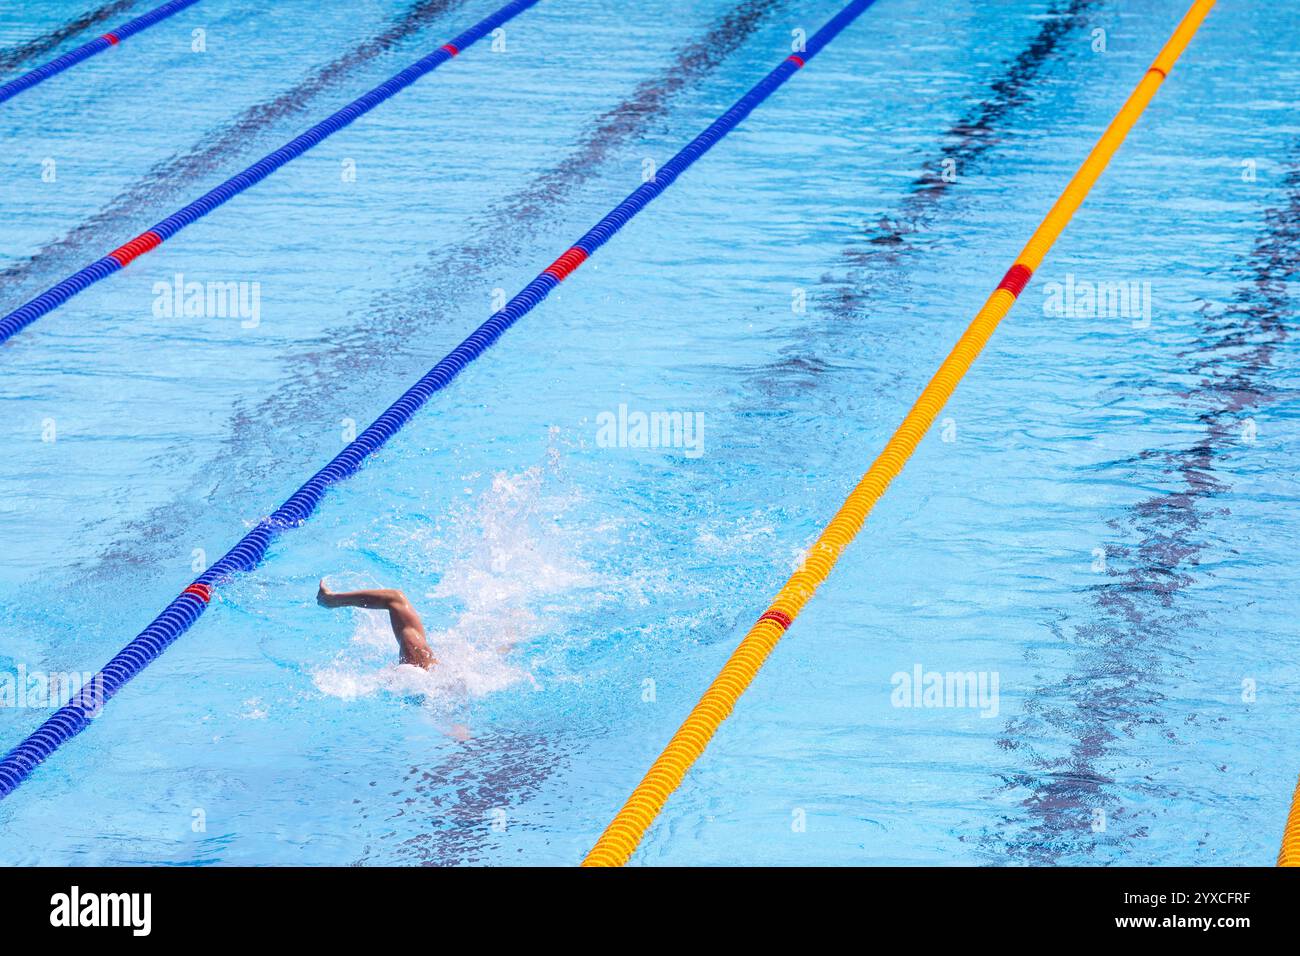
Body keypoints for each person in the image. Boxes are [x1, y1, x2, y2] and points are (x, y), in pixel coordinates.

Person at [317, 580, 437, 670]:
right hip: (428, 681)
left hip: (419, 676)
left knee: (396, 599)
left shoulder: (421, 667)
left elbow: (393, 599)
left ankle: (330, 600)